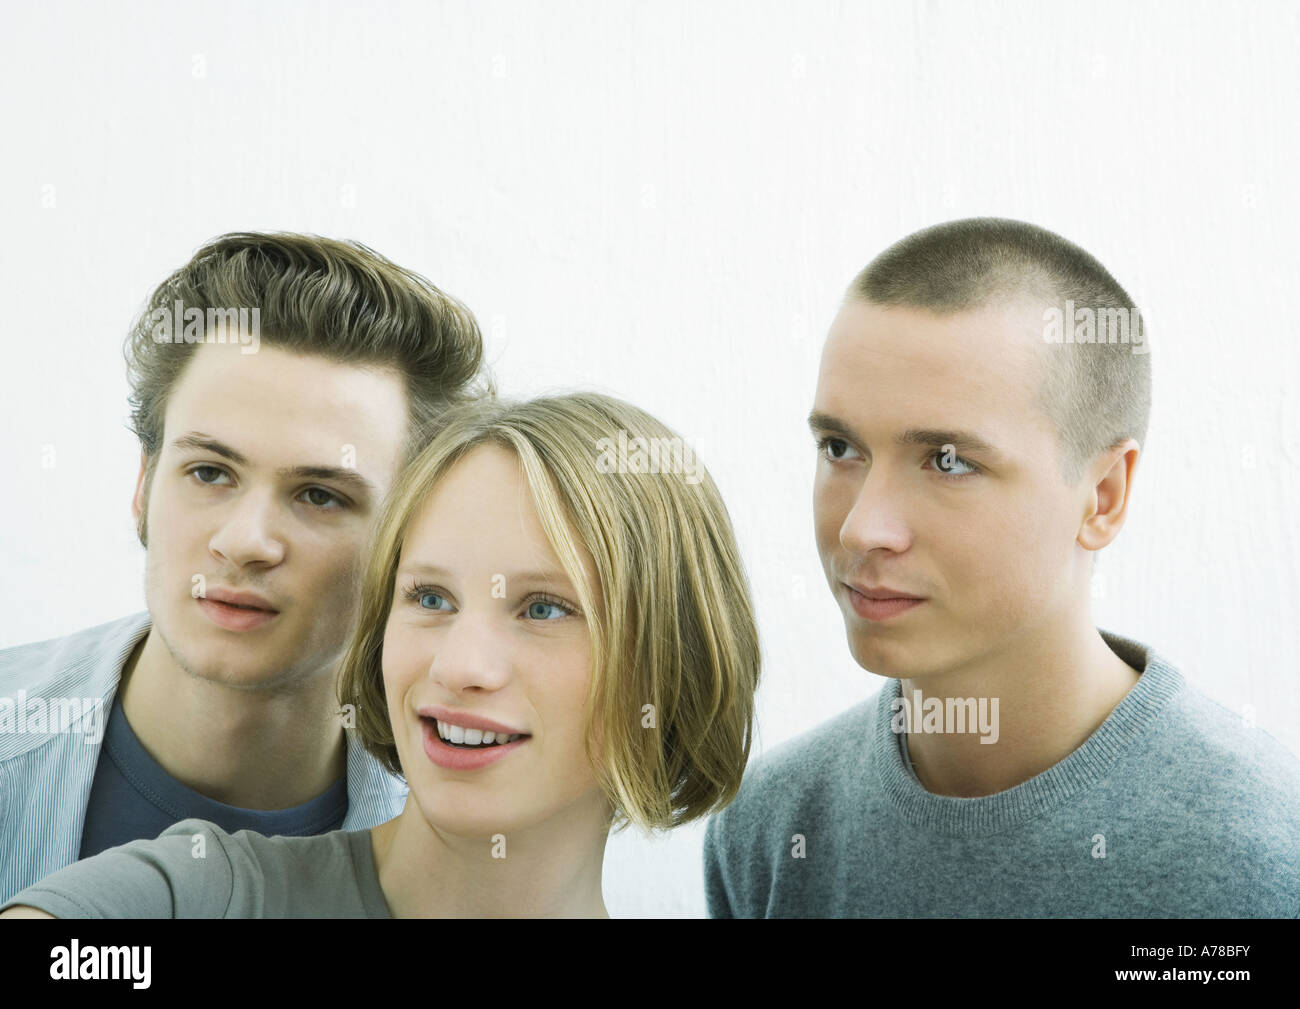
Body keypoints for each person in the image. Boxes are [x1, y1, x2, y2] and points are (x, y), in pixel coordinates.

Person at [703, 217, 1300, 918]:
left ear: (1103, 496)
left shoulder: (1256, 856)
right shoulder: (768, 832)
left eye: (948, 460)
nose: (861, 526)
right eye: (840, 447)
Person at [1, 391, 761, 917]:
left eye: (543, 608)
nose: (462, 666)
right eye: (429, 598)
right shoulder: (198, 896)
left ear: (668, 665)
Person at [0, 232, 488, 903]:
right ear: (144, 485)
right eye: (209, 471)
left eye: (320, 494)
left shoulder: (475, 836)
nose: (246, 540)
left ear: (409, 540)